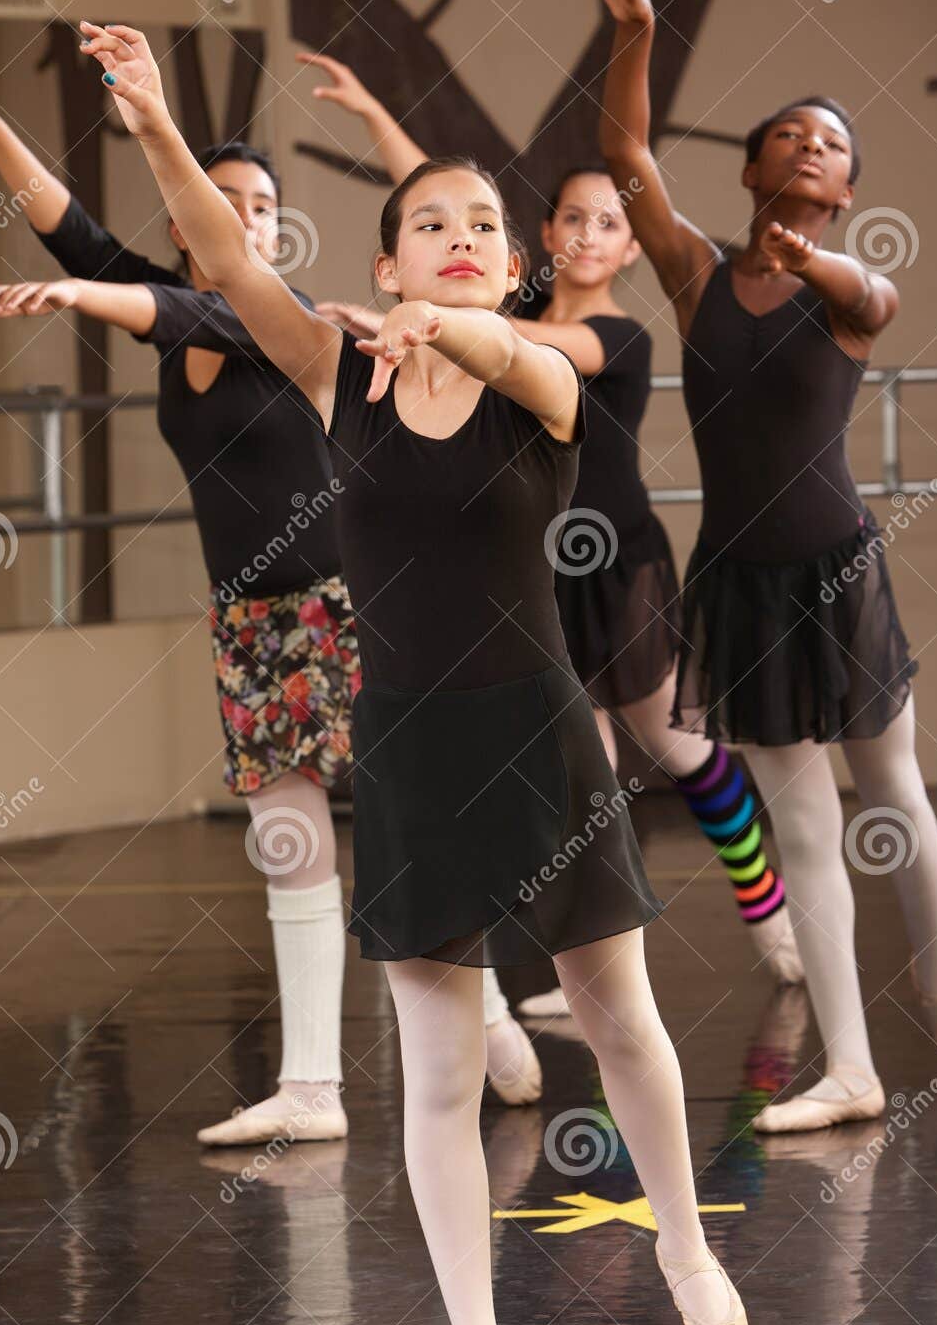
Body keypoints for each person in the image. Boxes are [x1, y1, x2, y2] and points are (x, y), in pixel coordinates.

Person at [77, 16, 750, 1325]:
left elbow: (514, 360)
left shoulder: (545, 377)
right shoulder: (338, 378)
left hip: (540, 740)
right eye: (427, 224)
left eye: (481, 225)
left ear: (510, 265)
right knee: (439, 1071)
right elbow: (231, 261)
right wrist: (148, 118)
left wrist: (455, 328)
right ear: (382, 263)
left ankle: (687, 1254)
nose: (457, 238)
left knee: (620, 1022)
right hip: (409, 752)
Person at [0, 41, 540, 1142]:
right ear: (184, 214)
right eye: (223, 200)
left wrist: (82, 296)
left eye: (260, 206)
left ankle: (487, 1017)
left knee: (410, 820)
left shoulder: (271, 315)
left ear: (278, 234)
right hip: (249, 622)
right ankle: (312, 1090)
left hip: (348, 606)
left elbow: (177, 313)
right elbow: (67, 223)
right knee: (290, 842)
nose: (243, 217)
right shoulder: (163, 295)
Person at [577, 0, 937, 1132]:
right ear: (752, 164)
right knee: (802, 826)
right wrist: (634, 31)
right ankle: (850, 1066)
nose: (812, 146)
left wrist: (812, 261)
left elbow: (869, 297)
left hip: (836, 572)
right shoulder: (693, 272)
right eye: (791, 134)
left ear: (845, 189)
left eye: (832, 143)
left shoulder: (852, 287)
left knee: (891, 793)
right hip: (739, 580)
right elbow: (621, 154)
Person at [301, 51, 803, 1018]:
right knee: (587, 766)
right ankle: (581, 956)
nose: (587, 234)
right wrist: (371, 111)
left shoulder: (611, 337)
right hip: (524, 573)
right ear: (541, 237)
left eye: (608, 222)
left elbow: (511, 343)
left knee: (675, 747)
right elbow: (436, 207)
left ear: (627, 248)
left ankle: (765, 906)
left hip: (618, 566)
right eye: (571, 217)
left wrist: (420, 318)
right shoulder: (495, 296)